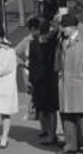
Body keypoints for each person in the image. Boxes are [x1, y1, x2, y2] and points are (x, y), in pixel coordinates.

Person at [55, 14, 83, 154]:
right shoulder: (63, 41)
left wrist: (81, 77)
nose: (62, 29)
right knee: (68, 117)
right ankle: (71, 145)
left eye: (64, 27)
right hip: (66, 85)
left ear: (72, 27)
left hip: (81, 85)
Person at [26, 17, 61, 145]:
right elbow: (32, 63)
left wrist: (54, 23)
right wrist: (31, 81)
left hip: (50, 80)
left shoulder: (52, 42)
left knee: (50, 109)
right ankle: (46, 131)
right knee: (42, 108)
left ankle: (52, 136)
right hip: (38, 81)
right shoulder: (33, 43)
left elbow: (57, 31)